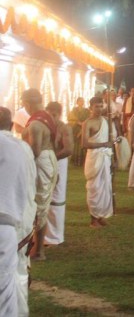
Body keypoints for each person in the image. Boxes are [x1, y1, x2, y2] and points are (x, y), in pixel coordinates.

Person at [0, 106, 36, 317]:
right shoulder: (23, 148)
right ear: (12, 124)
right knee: (6, 286)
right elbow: (30, 185)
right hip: (11, 226)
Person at [21, 89, 58, 261]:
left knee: (39, 204)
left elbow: (34, 150)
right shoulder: (47, 117)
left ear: (28, 103)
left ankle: (38, 251)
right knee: (39, 203)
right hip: (48, 160)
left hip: (41, 162)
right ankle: (35, 247)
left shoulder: (36, 124)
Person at [82, 96, 119, 228]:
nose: (99, 109)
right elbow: (85, 143)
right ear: (90, 107)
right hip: (94, 159)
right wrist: (104, 144)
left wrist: (114, 159)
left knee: (106, 186)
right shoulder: (88, 123)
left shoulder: (106, 121)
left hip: (106, 157)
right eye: (96, 106)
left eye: (101, 106)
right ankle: (93, 219)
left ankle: (101, 216)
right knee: (95, 188)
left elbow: (112, 142)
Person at [43, 101, 73, 247]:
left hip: (59, 163)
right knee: (43, 197)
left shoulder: (64, 128)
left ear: (59, 114)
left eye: (53, 114)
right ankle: (43, 236)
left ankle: (55, 237)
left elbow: (68, 149)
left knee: (56, 198)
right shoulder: (44, 126)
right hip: (46, 164)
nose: (51, 117)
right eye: (48, 114)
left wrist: (51, 158)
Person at [67, 97, 90, 167]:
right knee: (76, 144)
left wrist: (83, 125)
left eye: (82, 101)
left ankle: (82, 161)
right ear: (77, 102)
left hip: (84, 129)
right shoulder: (74, 110)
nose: (81, 102)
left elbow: (89, 119)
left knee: (83, 144)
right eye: (80, 101)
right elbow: (71, 119)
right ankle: (75, 161)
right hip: (76, 129)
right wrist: (79, 123)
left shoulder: (86, 111)